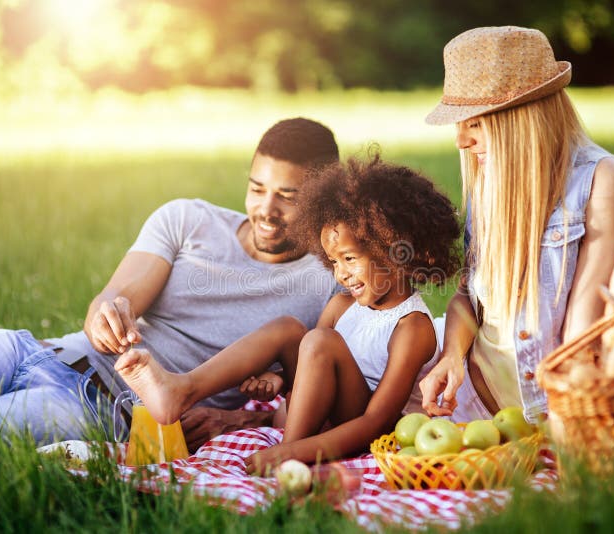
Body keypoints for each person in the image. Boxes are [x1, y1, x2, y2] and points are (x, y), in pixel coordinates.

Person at [0, 118, 340, 446]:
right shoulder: (188, 219)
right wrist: (109, 312)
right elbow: (118, 295)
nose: (265, 210)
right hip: (32, 350)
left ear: (324, 197)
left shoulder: (331, 281)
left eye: (288, 197)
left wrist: (241, 419)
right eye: (256, 189)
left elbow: (330, 396)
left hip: (99, 406)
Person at [113, 156, 462, 472]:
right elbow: (310, 362)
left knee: (321, 340)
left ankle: (287, 456)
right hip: (320, 411)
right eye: (334, 261)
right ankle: (181, 389)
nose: (340, 274)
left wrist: (293, 451)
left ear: (397, 251)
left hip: (354, 427)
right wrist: (282, 377)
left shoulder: (412, 327)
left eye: (350, 259)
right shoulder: (342, 305)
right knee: (289, 329)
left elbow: (375, 422)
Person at [418, 26, 614, 424]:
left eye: (475, 124)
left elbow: (584, 330)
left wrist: (566, 424)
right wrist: (451, 356)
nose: (460, 141)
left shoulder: (602, 180)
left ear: (521, 118)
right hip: (473, 398)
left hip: (554, 404)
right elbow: (470, 296)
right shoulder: (489, 178)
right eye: (459, 123)